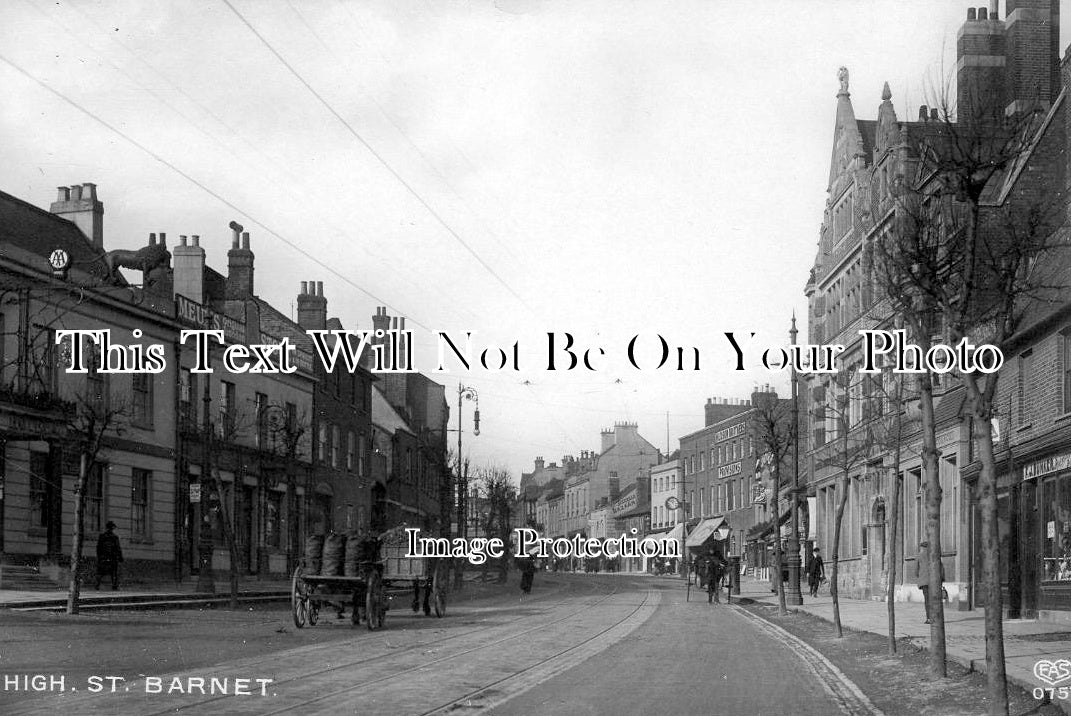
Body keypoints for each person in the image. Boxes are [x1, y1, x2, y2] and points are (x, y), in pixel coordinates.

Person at [916, 540, 943, 624]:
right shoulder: (934, 555)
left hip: (924, 582)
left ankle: (929, 618)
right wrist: (942, 579)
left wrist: (920, 576)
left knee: (927, 600)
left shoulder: (919, 556)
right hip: (935, 580)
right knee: (935, 599)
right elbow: (941, 567)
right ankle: (937, 618)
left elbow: (916, 571)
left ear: (922, 547)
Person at [95, 521, 123, 590]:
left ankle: (97, 585)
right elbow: (118, 548)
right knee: (114, 572)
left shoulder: (102, 536)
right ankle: (114, 586)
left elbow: (98, 547)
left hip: (103, 557)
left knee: (100, 572)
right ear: (112, 528)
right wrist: (120, 557)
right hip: (112, 557)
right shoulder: (115, 537)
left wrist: (99, 557)